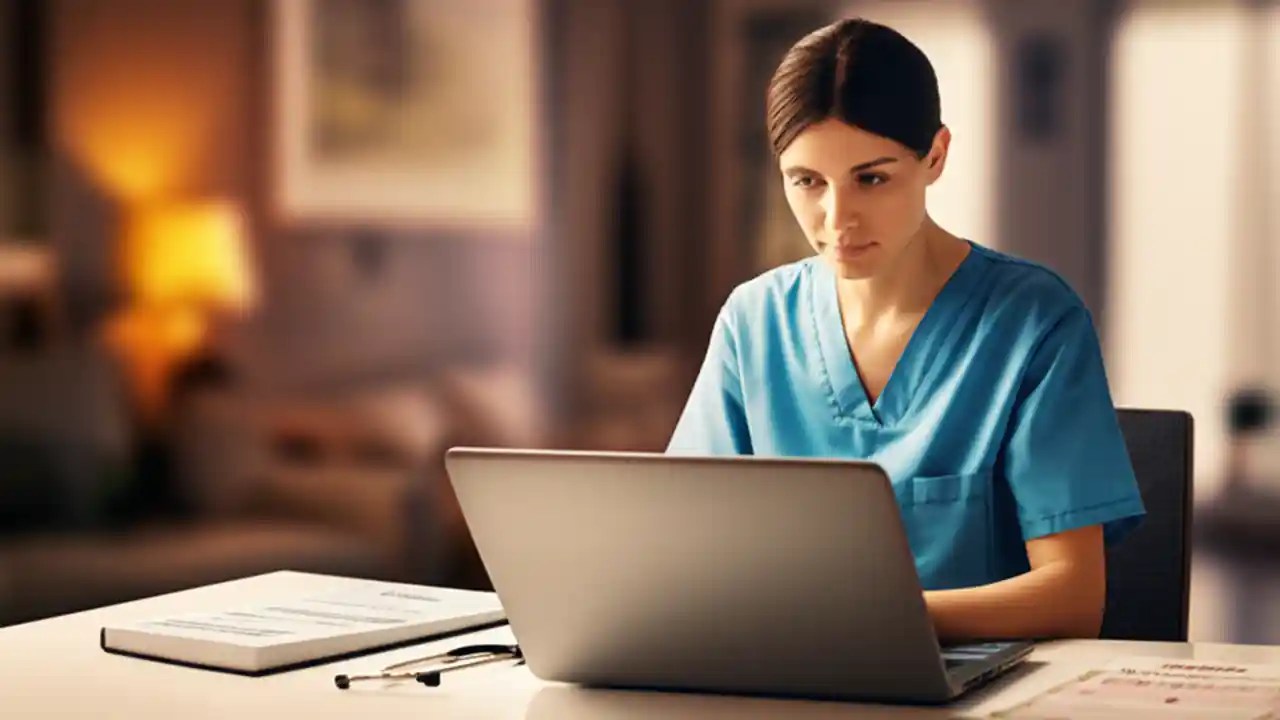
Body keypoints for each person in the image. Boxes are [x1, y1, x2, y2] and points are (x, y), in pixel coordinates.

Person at [668, 18, 1145, 642]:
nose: (837, 219)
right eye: (807, 181)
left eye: (871, 178)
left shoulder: (1033, 322)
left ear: (936, 157)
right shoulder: (751, 323)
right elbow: (680, 550)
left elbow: (1074, 596)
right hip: (781, 681)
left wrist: (876, 623)